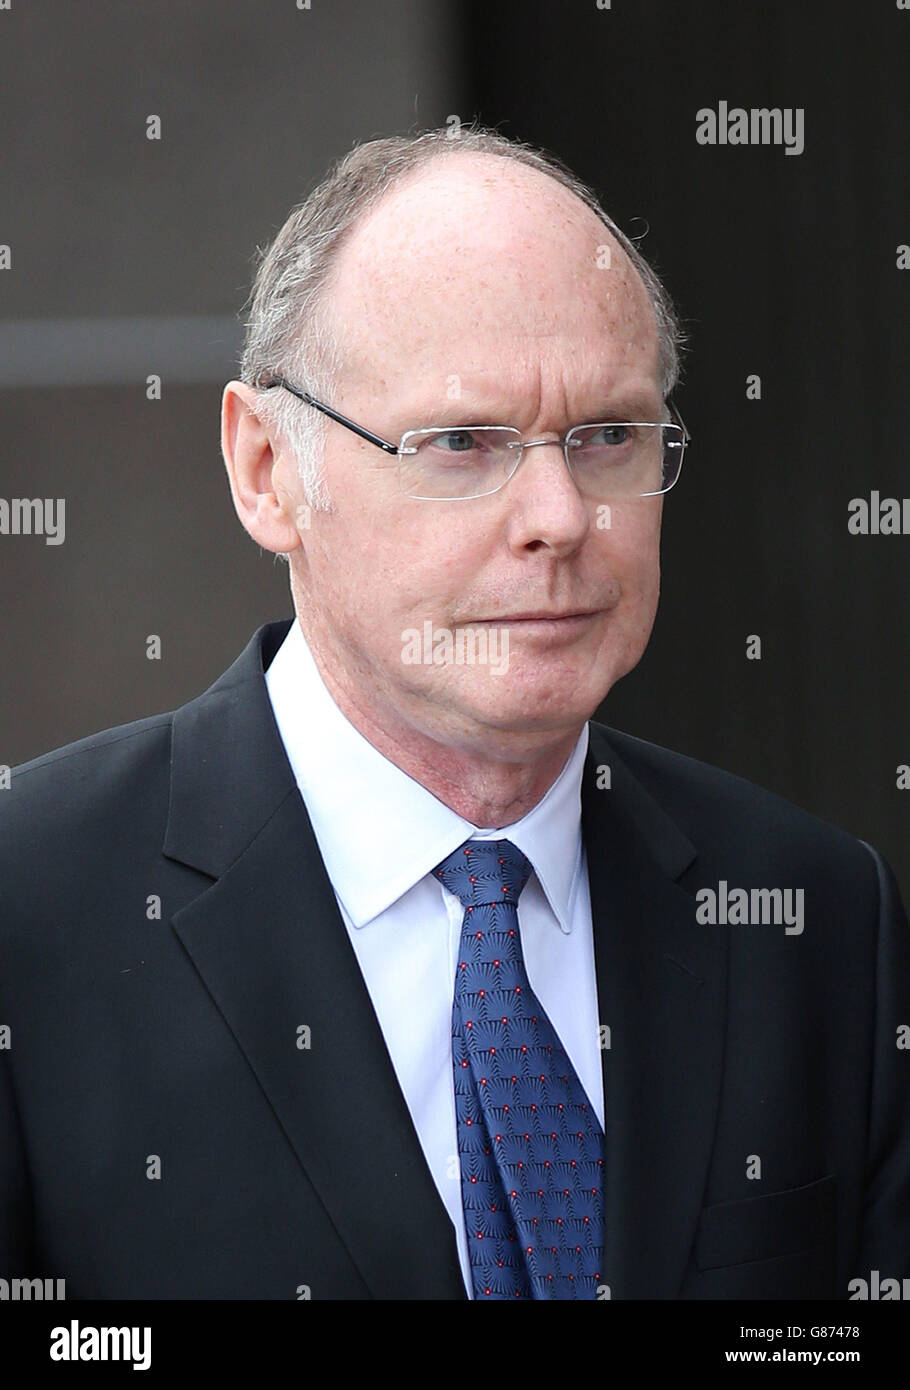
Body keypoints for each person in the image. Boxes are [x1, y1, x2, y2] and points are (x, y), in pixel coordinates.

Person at [1, 126, 908, 1301]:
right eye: (463, 443)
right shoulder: (33, 911)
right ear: (267, 469)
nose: (560, 517)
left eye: (608, 436)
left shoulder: (817, 916)